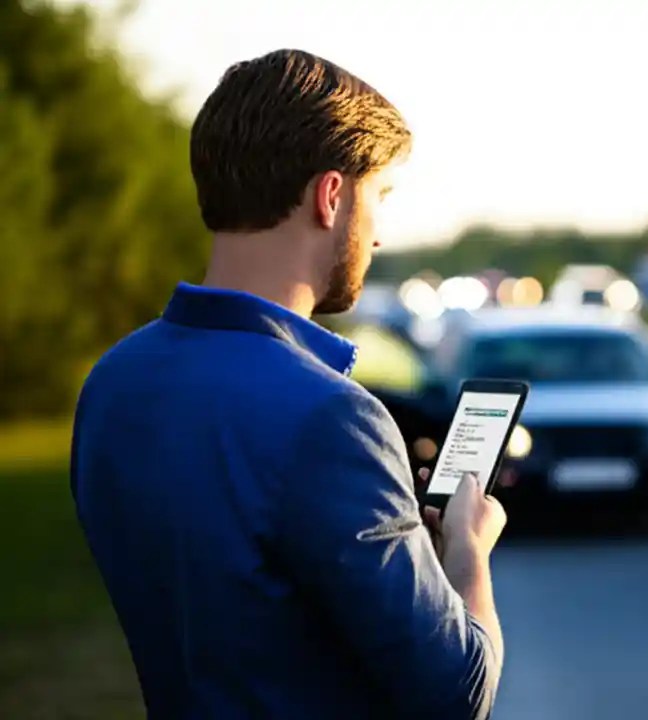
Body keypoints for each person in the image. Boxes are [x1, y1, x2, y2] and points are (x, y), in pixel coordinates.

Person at [69, 49, 507, 719]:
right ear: (331, 197)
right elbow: (457, 694)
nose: (379, 236)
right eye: (380, 197)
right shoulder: (331, 418)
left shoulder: (114, 382)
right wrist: (467, 554)